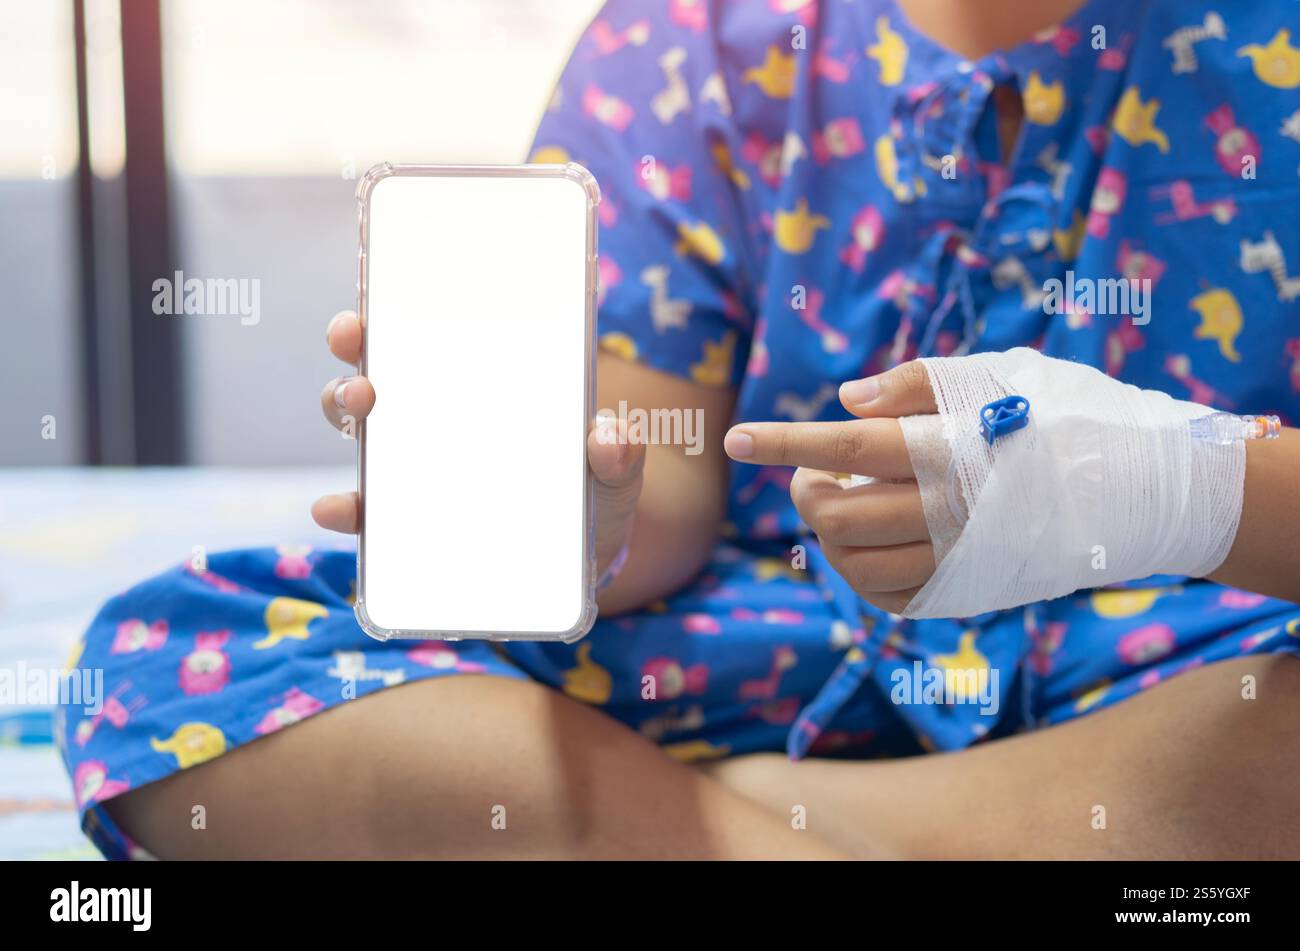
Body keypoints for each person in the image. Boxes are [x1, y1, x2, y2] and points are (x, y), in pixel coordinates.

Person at [62, 0, 1300, 859]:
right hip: (764, 643)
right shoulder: (688, 42)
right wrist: (574, 510)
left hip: (1182, 656)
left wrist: (1156, 490)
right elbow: (652, 505)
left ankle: (720, 825)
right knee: (173, 665)